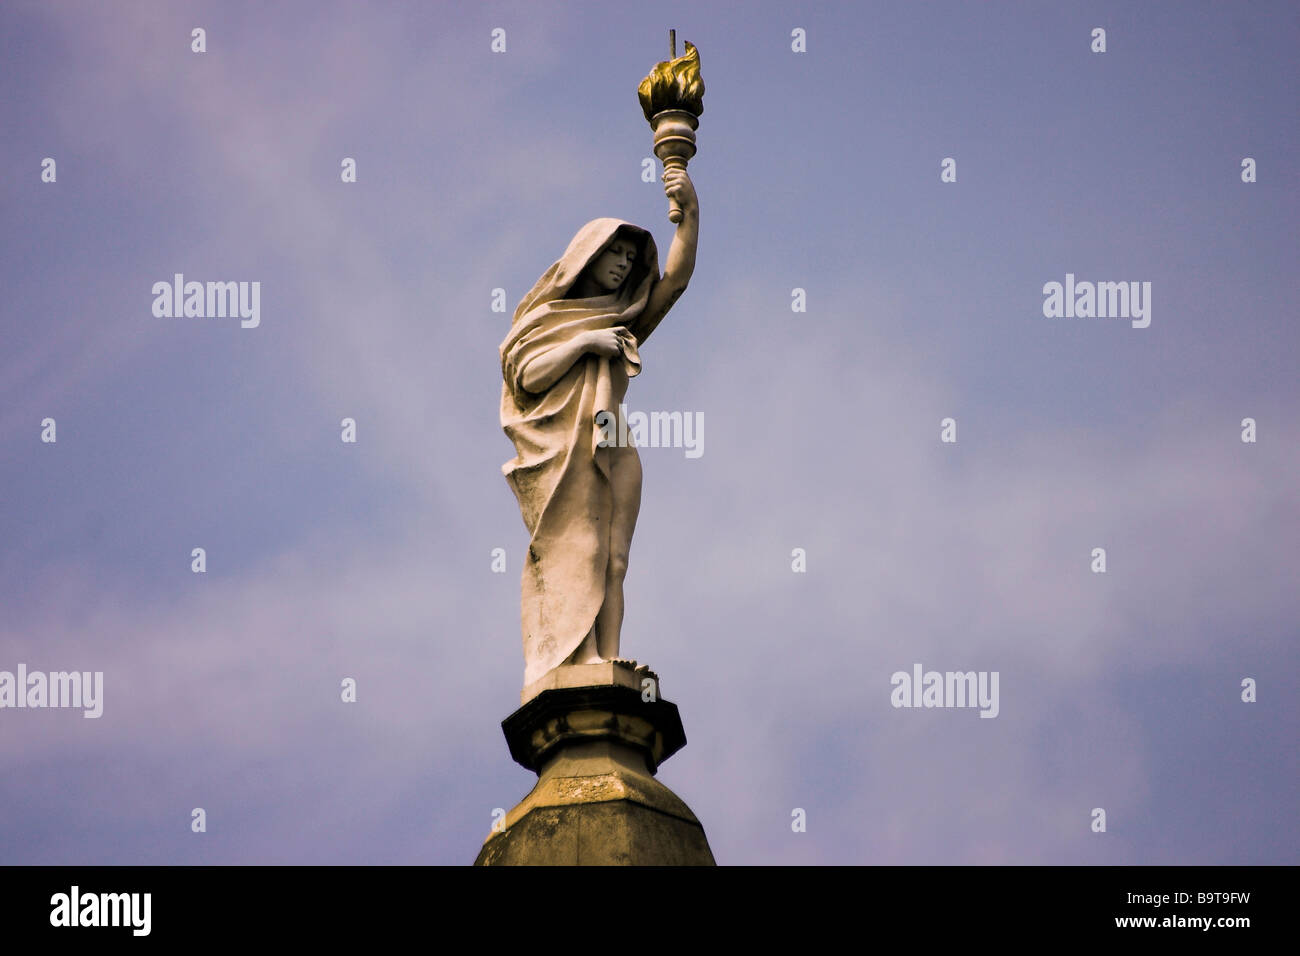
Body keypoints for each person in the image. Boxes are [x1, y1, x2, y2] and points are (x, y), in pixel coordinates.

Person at [500, 168, 698, 686]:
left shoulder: (622, 317)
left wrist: (689, 215)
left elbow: (673, 282)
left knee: (614, 556)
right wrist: (587, 343)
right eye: (616, 254)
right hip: (563, 446)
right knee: (580, 546)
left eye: (631, 260)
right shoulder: (549, 320)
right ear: (590, 255)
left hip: (613, 438)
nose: (624, 266)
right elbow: (528, 378)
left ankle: (605, 655)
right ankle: (572, 657)